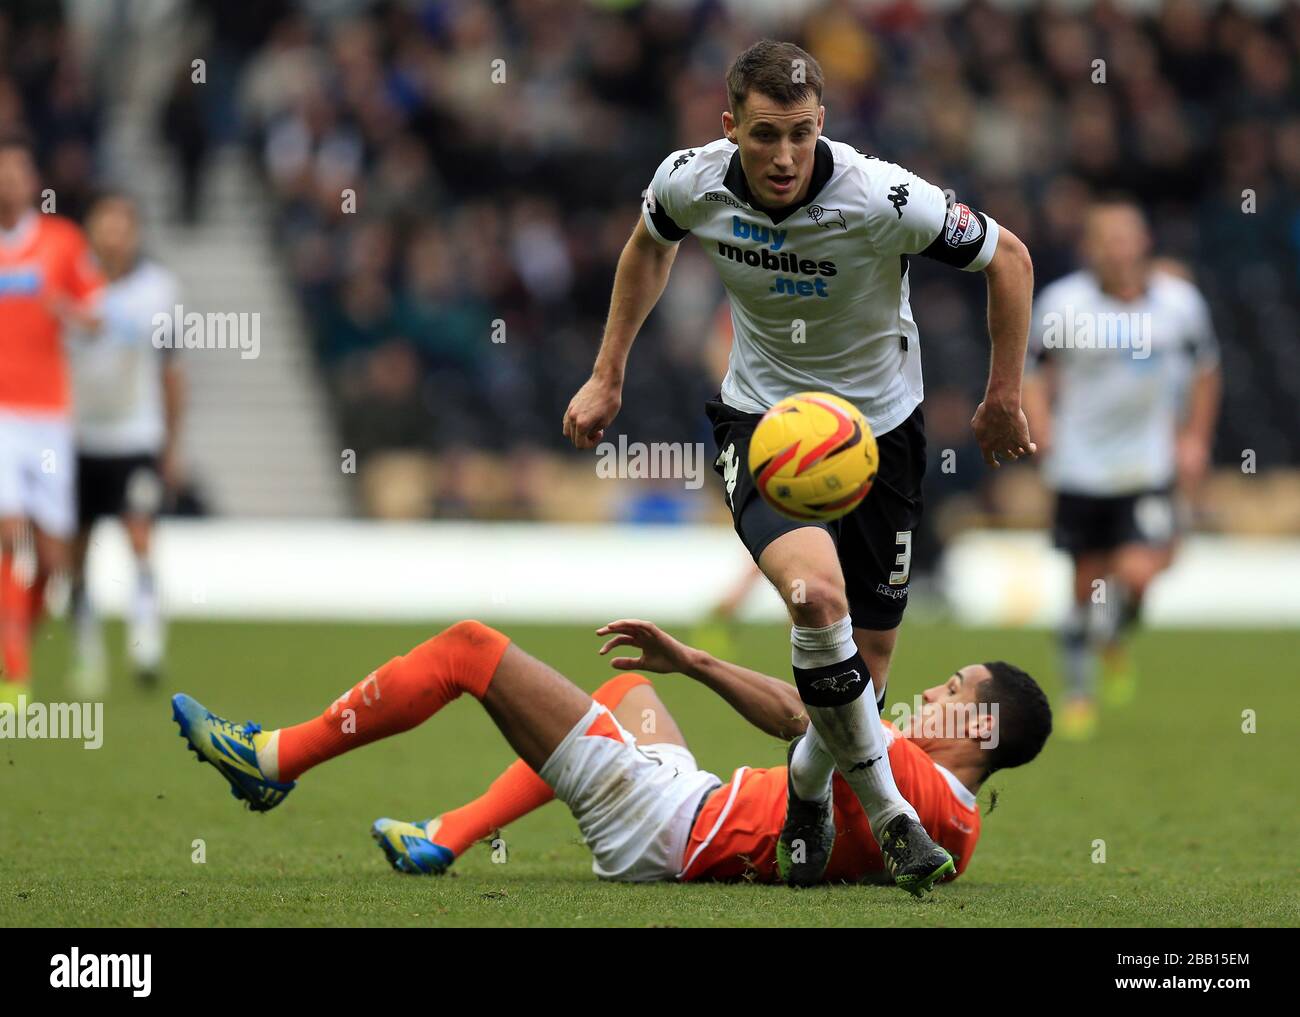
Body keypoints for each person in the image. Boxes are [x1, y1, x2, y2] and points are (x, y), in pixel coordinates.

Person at [561, 40, 1036, 890]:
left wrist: (1004, 394)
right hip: (767, 428)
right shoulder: (688, 180)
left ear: (824, 125)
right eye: (765, 135)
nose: (784, 157)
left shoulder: (884, 196)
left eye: (802, 134)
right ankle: (894, 817)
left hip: (881, 437)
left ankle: (809, 791)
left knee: (868, 675)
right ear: (730, 126)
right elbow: (648, 245)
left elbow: (1009, 258)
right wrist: (608, 372)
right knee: (816, 599)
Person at [171, 618, 1051, 892]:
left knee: (470, 650)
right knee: (624, 697)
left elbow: (803, 708)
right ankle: (452, 831)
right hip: (691, 797)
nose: (932, 692)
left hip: (667, 824)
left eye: (954, 690)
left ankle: (276, 757)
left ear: (984, 731)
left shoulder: (929, 797)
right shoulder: (952, 825)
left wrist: (696, 660)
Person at [1022, 199, 1221, 740]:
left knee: (1135, 574)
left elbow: (1206, 371)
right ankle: (1080, 691)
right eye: (1106, 238)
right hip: (1080, 467)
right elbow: (1035, 373)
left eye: (1125, 237)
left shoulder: (1179, 304)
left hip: (1146, 465)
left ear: (1144, 242)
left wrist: (1195, 439)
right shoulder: (1064, 304)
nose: (1117, 248)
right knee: (1086, 586)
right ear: (1089, 247)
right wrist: (1041, 427)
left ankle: (1114, 635)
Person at [0, 134, 103, 711]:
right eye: (2, 172)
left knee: (53, 554)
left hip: (49, 418)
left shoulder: (62, 242)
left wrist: (70, 312)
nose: (10, 182)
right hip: (2, 415)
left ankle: (21, 637)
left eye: (18, 171)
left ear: (34, 181)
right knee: (10, 534)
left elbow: (97, 313)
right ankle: (14, 673)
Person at [68, 193, 185, 693]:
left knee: (139, 534)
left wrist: (171, 444)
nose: (114, 233)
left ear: (135, 232)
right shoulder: (68, 281)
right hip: (74, 437)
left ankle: (145, 637)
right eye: (105, 223)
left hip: (136, 435)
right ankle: (87, 649)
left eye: (123, 224)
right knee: (75, 550)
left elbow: (171, 370)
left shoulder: (159, 289)